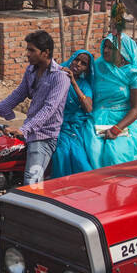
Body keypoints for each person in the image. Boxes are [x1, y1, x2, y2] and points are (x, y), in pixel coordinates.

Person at [0, 30, 70, 185]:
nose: (27, 54)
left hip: (44, 137)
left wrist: (23, 129)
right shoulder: (31, 70)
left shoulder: (60, 77)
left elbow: (49, 109)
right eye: (27, 49)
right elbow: (18, 94)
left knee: (31, 183)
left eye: (32, 50)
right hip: (29, 132)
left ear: (45, 52)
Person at [93, 32, 137, 166]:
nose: (105, 50)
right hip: (97, 118)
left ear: (123, 51)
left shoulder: (134, 74)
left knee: (115, 154)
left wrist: (116, 129)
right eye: (105, 46)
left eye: (111, 48)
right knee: (93, 151)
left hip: (123, 122)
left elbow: (136, 109)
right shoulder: (97, 67)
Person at [47, 50, 103, 178]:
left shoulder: (84, 85)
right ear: (71, 59)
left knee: (78, 158)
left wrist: (74, 83)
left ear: (86, 69)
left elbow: (88, 108)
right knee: (61, 153)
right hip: (56, 124)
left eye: (83, 63)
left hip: (75, 128)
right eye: (76, 60)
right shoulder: (57, 78)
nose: (78, 64)